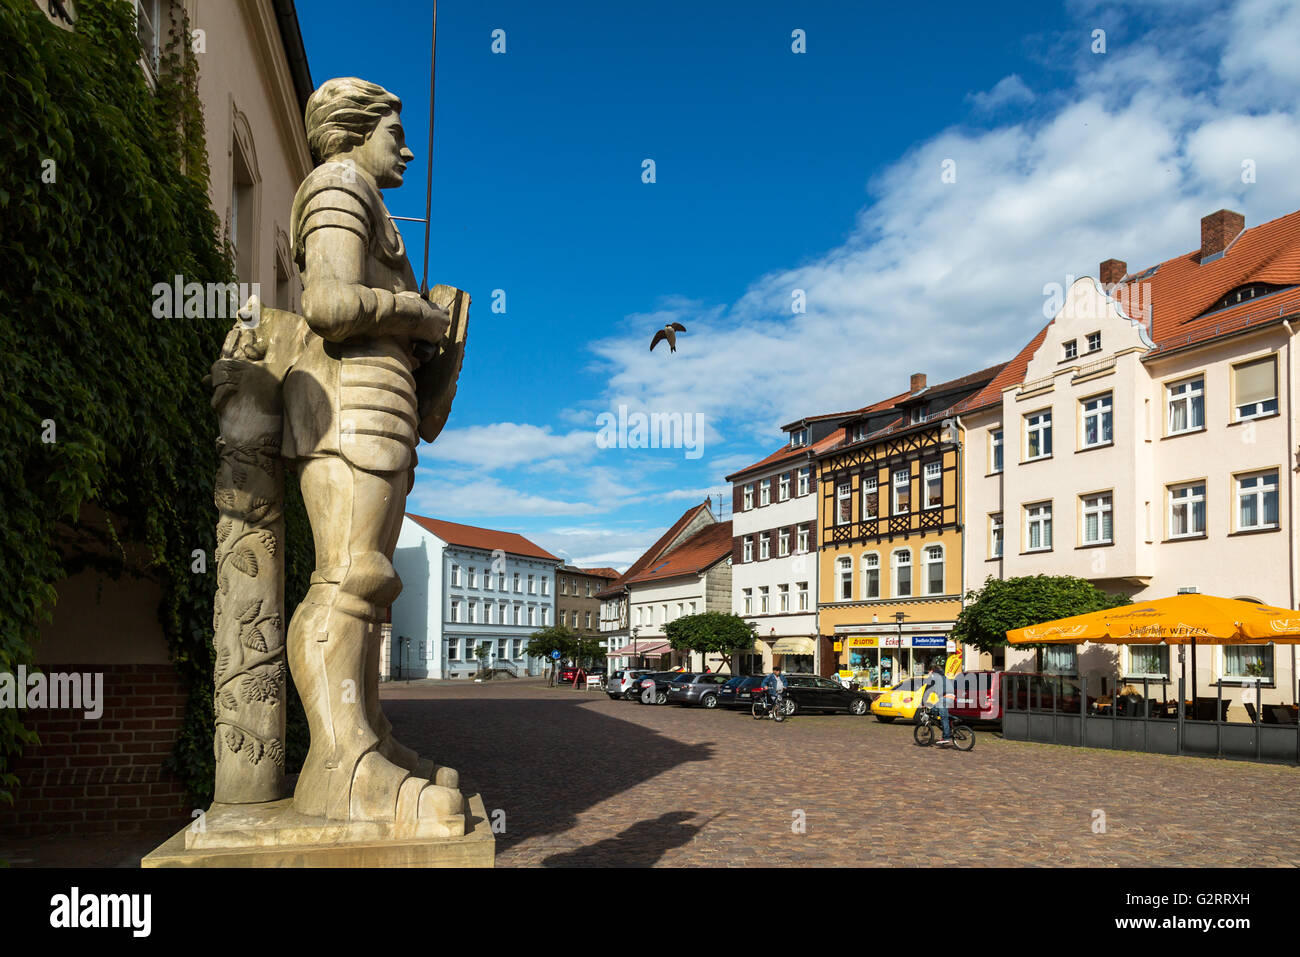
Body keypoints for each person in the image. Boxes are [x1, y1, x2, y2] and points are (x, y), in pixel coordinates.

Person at [922, 663, 957, 745]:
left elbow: (927, 689)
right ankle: (952, 719)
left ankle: (946, 737)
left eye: (929, 672)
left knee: (943, 716)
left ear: (931, 671)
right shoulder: (943, 676)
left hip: (945, 697)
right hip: (951, 697)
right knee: (936, 710)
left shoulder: (934, 676)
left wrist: (923, 702)